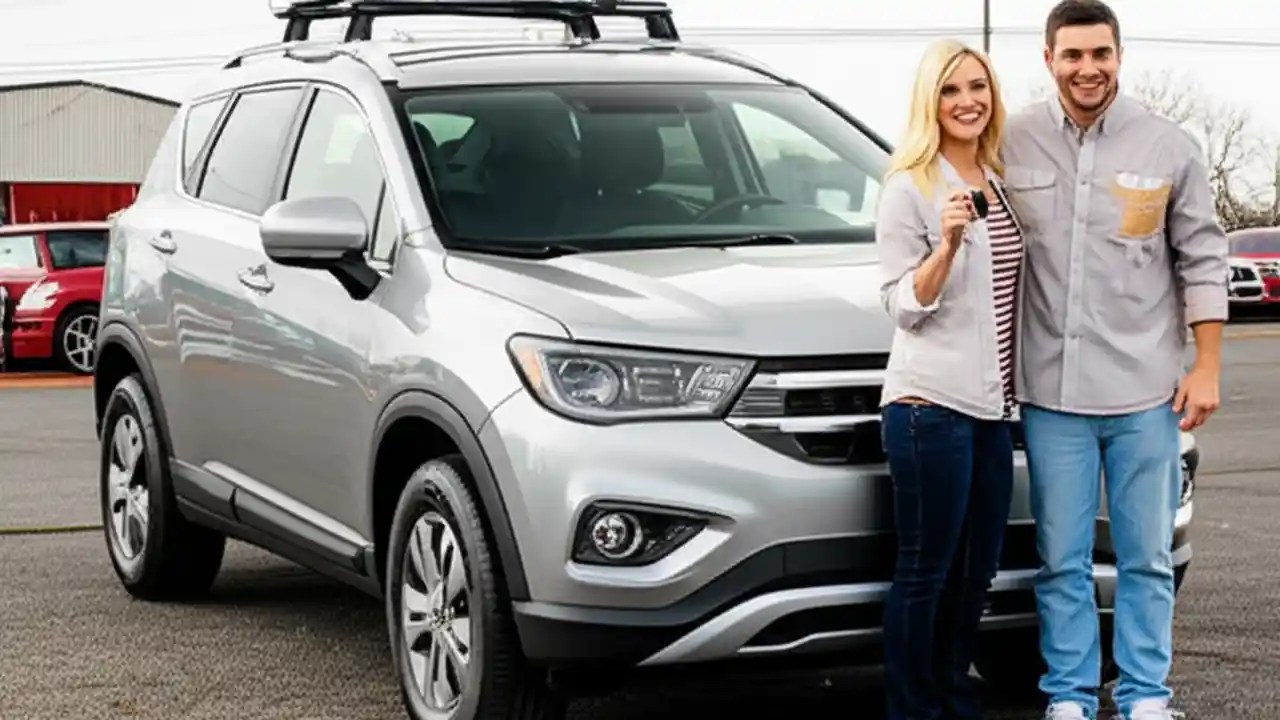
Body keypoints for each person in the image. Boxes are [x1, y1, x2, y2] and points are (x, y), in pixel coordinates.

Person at [999, 1, 1228, 719]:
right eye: (1072, 55)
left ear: (1119, 57)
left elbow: (1205, 259)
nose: (1087, 68)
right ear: (1048, 60)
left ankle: (1145, 695)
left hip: (1146, 393)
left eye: (1100, 54)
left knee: (1147, 560)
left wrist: (1207, 367)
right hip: (1051, 396)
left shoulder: (1170, 146)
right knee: (1061, 562)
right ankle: (1068, 696)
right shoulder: (1012, 141)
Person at [875, 38, 1023, 720]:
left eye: (977, 88)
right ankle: (914, 707)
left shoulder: (998, 176)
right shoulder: (910, 184)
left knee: (976, 572)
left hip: (992, 409)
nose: (967, 101)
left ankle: (952, 697)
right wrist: (948, 243)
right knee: (925, 571)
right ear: (930, 102)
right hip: (927, 407)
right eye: (951, 90)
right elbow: (904, 306)